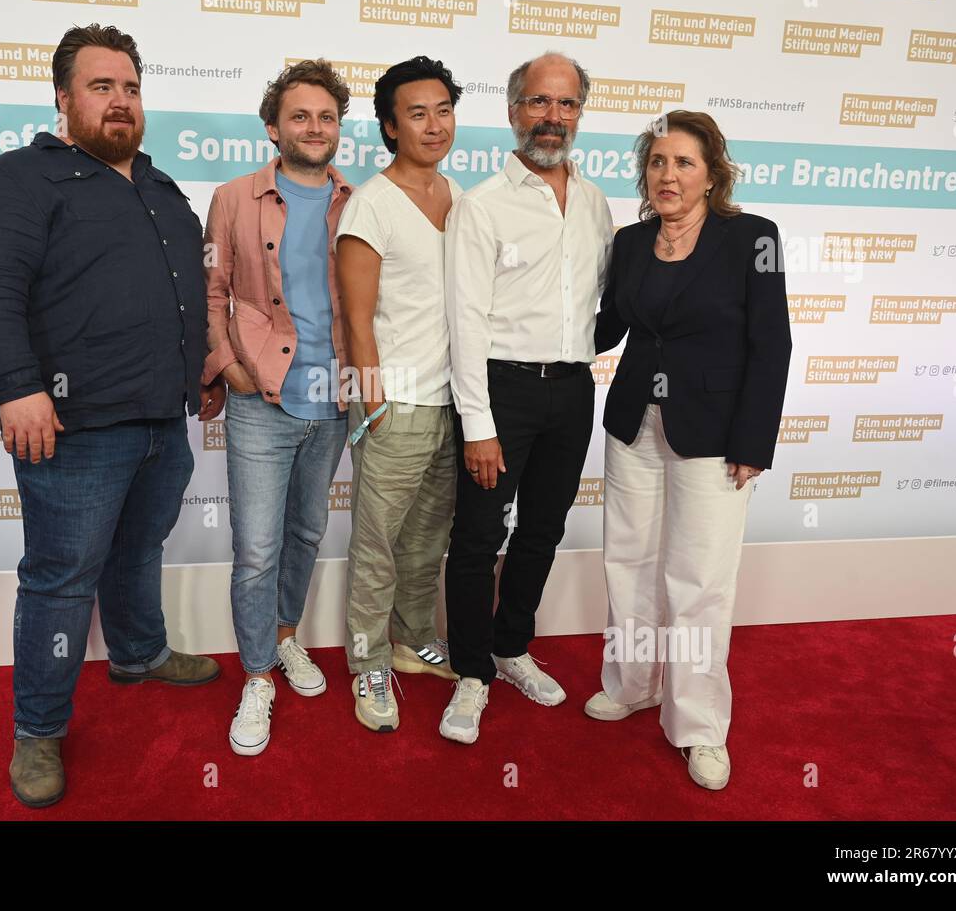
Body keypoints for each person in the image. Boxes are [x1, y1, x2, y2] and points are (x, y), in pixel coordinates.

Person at [0, 24, 224, 808]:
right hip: (71, 429)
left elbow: (181, 299)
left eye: (131, 88)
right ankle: (37, 729)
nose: (120, 101)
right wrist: (16, 387)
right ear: (64, 99)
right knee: (60, 580)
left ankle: (138, 653)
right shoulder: (14, 181)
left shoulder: (163, 190)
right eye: (102, 87)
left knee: (140, 548)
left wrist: (200, 369)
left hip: (160, 422)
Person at [583, 110, 792, 791]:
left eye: (684, 163)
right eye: (657, 162)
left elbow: (772, 344)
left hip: (715, 431)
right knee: (629, 562)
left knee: (699, 581)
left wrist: (754, 440)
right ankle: (634, 682)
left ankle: (699, 724)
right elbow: (606, 327)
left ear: (712, 174)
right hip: (633, 423)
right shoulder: (634, 241)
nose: (668, 175)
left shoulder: (753, 238)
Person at [439, 52, 613, 744]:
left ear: (578, 114)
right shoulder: (482, 205)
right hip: (501, 391)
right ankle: (472, 672)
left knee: (543, 529)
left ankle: (512, 646)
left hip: (573, 391)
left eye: (566, 104)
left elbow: (606, 304)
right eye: (539, 102)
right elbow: (465, 323)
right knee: (479, 535)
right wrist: (478, 424)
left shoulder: (597, 202)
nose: (553, 117)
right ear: (514, 112)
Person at [202, 60, 354, 756]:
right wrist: (227, 365)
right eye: (300, 116)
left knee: (304, 533)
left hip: (334, 403)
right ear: (274, 127)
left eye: (326, 117)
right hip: (261, 400)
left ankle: (288, 636)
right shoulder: (234, 197)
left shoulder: (361, 200)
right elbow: (211, 291)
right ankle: (257, 674)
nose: (314, 127)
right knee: (256, 550)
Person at [336, 56, 464, 732]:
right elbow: (358, 317)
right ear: (390, 125)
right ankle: (367, 664)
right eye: (418, 113)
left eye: (443, 109)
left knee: (426, 539)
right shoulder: (371, 203)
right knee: (378, 542)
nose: (434, 124)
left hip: (451, 402)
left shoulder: (458, 195)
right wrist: (374, 403)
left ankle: (414, 642)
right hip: (395, 403)